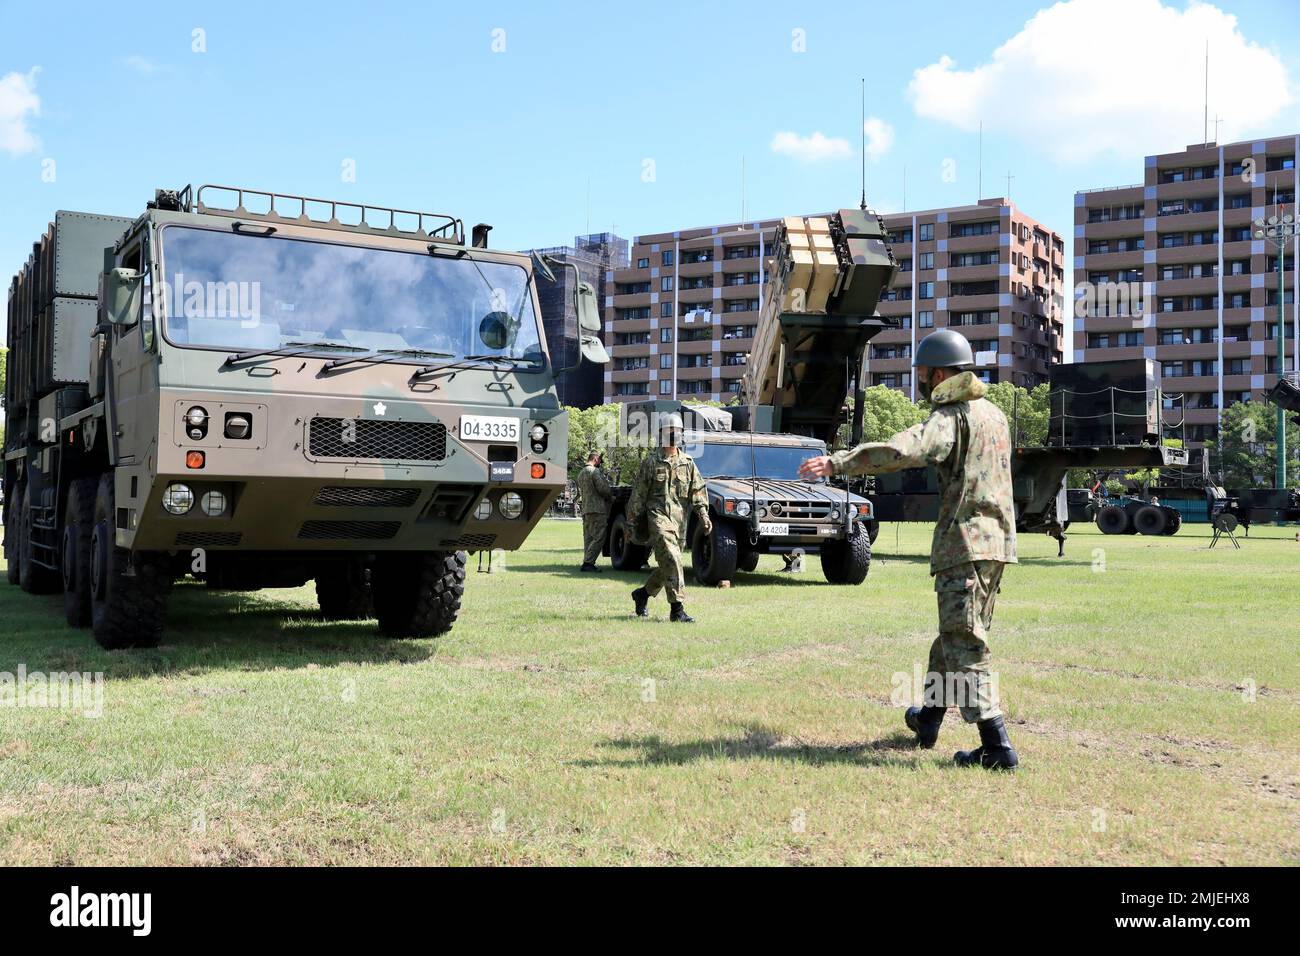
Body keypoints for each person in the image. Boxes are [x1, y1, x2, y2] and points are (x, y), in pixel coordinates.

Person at [798, 328, 1020, 770]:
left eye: (921, 374)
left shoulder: (950, 416)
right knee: (951, 641)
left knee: (966, 642)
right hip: (996, 546)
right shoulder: (993, 413)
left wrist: (837, 462)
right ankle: (930, 719)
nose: (919, 382)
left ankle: (997, 747)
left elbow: (905, 450)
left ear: (938, 373)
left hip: (965, 546)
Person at [627, 413, 712, 623]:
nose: (674, 435)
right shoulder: (650, 462)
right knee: (672, 559)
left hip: (679, 522)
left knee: (670, 563)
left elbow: (697, 490)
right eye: (669, 431)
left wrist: (703, 515)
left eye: (677, 431)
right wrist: (631, 521)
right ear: (661, 434)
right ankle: (677, 609)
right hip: (657, 517)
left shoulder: (688, 463)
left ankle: (642, 594)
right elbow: (638, 494)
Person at [575, 451, 612, 572]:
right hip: (597, 509)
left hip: (586, 509)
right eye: (599, 461)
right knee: (600, 537)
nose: (600, 464)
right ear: (595, 459)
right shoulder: (594, 472)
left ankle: (587, 561)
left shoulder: (580, 474)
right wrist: (610, 494)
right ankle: (588, 563)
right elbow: (603, 489)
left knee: (589, 538)